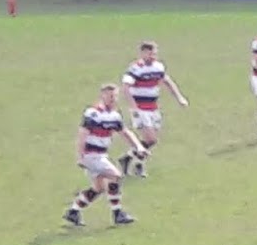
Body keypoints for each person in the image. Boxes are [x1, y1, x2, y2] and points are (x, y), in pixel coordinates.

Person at [63, 83, 144, 227]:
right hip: (91, 154)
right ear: (102, 95)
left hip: (101, 155)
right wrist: (80, 155)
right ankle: (118, 213)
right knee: (116, 176)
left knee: (98, 188)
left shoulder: (114, 115)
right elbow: (82, 134)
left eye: (115, 96)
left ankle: (73, 211)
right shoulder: (93, 113)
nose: (112, 99)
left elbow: (125, 132)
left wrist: (137, 146)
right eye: (109, 96)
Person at [119, 40, 189, 178]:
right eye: (150, 54)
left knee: (152, 140)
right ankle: (138, 165)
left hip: (153, 107)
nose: (153, 57)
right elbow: (125, 88)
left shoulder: (158, 67)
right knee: (150, 139)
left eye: (154, 54)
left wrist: (180, 98)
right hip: (140, 108)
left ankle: (128, 158)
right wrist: (134, 107)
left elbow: (167, 81)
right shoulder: (135, 68)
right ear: (143, 53)